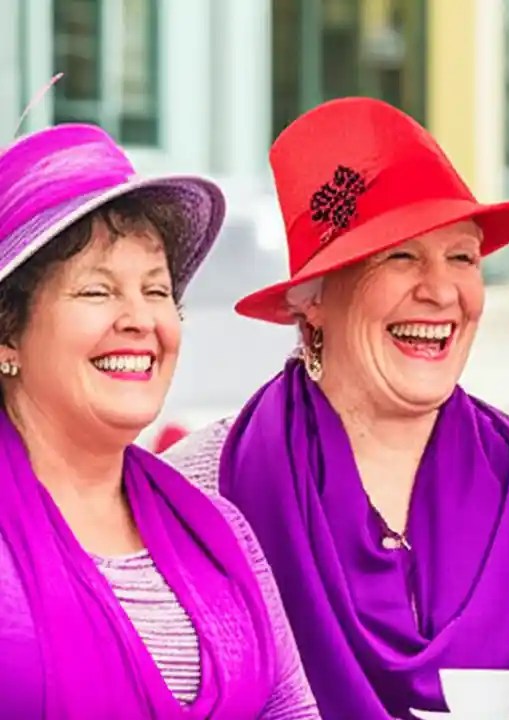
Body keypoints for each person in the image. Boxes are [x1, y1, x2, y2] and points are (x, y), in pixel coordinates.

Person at [163, 97, 509, 719]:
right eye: (400, 256)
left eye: (462, 257)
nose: (440, 290)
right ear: (312, 300)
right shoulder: (202, 486)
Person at [0, 124, 316, 717]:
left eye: (157, 290)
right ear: (7, 332)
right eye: (97, 292)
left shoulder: (220, 533)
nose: (140, 319)